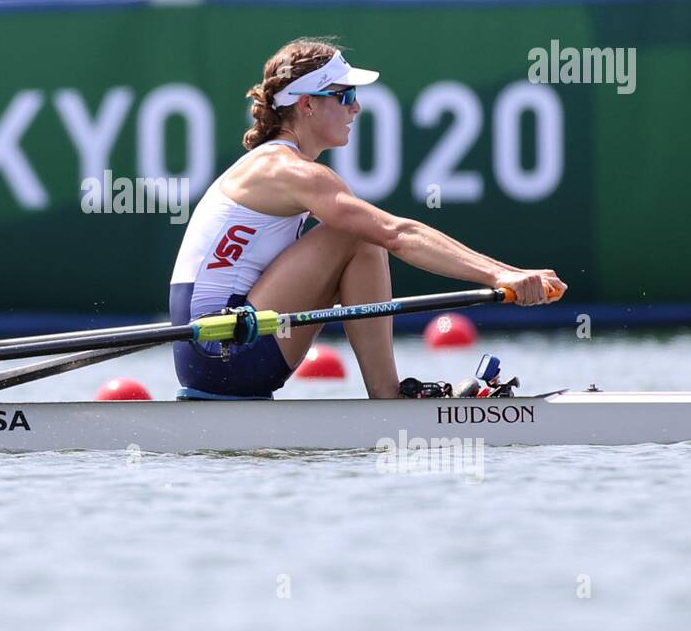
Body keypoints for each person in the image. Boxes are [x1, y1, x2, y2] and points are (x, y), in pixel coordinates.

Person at [169, 38, 565, 399]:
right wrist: (501, 277)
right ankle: (387, 397)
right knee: (358, 236)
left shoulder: (280, 165)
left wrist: (512, 272)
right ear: (307, 103)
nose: (356, 107)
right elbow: (397, 234)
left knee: (357, 236)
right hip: (220, 348)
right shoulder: (287, 170)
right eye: (345, 95)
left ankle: (385, 397)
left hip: (223, 347)